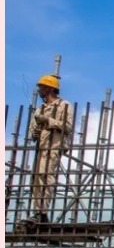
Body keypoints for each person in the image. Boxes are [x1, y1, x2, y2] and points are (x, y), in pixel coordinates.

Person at [28, 73, 72, 224]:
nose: (39, 90)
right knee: (36, 179)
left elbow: (67, 126)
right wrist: (35, 132)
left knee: (46, 177)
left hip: (54, 146)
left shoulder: (63, 105)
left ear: (49, 88)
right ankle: (39, 212)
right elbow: (32, 132)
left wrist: (48, 120)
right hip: (41, 147)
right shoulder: (39, 109)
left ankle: (42, 211)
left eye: (41, 87)